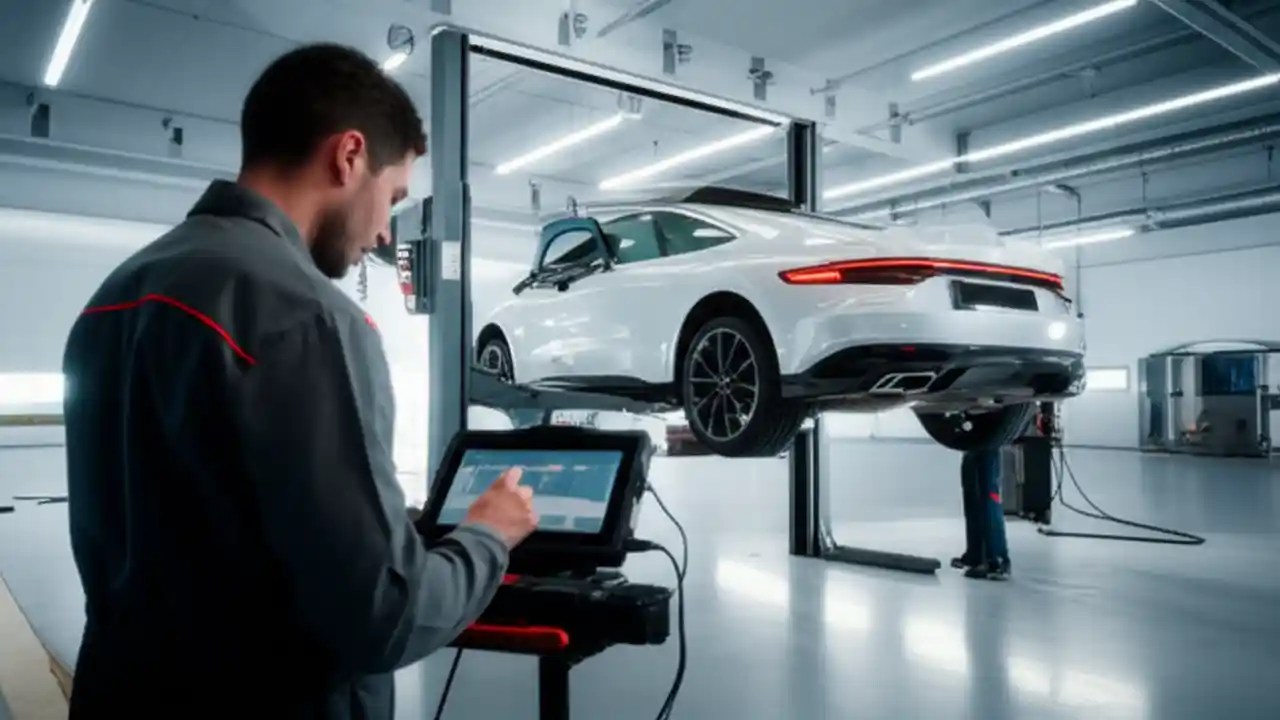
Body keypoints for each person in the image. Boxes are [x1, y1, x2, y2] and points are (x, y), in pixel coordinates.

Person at [60, 44, 538, 718]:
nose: (380, 235)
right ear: (348, 156)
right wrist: (488, 535)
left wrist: (373, 521)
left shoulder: (117, 295)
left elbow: (199, 517)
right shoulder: (306, 316)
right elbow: (384, 616)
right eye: (392, 197)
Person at [951, 447, 1011, 580]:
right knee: (972, 495)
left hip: (989, 440)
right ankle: (975, 555)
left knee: (989, 498)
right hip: (973, 442)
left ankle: (997, 560)